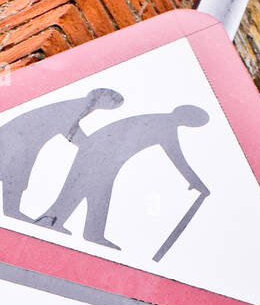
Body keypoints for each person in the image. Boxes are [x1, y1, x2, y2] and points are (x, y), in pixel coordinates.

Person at [35, 104, 210, 250]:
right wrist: (195, 182)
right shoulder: (165, 125)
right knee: (78, 189)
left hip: (104, 155)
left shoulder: (160, 121)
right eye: (194, 121)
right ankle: (52, 220)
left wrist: (195, 182)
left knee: (98, 193)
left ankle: (91, 232)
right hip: (99, 153)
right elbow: (177, 157)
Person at [0, 87, 124, 220]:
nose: (110, 106)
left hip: (26, 138)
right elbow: (69, 128)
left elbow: (69, 127)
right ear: (102, 97)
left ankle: (7, 209)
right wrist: (88, 146)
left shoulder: (81, 107)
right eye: (112, 102)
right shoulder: (79, 105)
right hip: (21, 137)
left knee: (6, 170)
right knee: (2, 167)